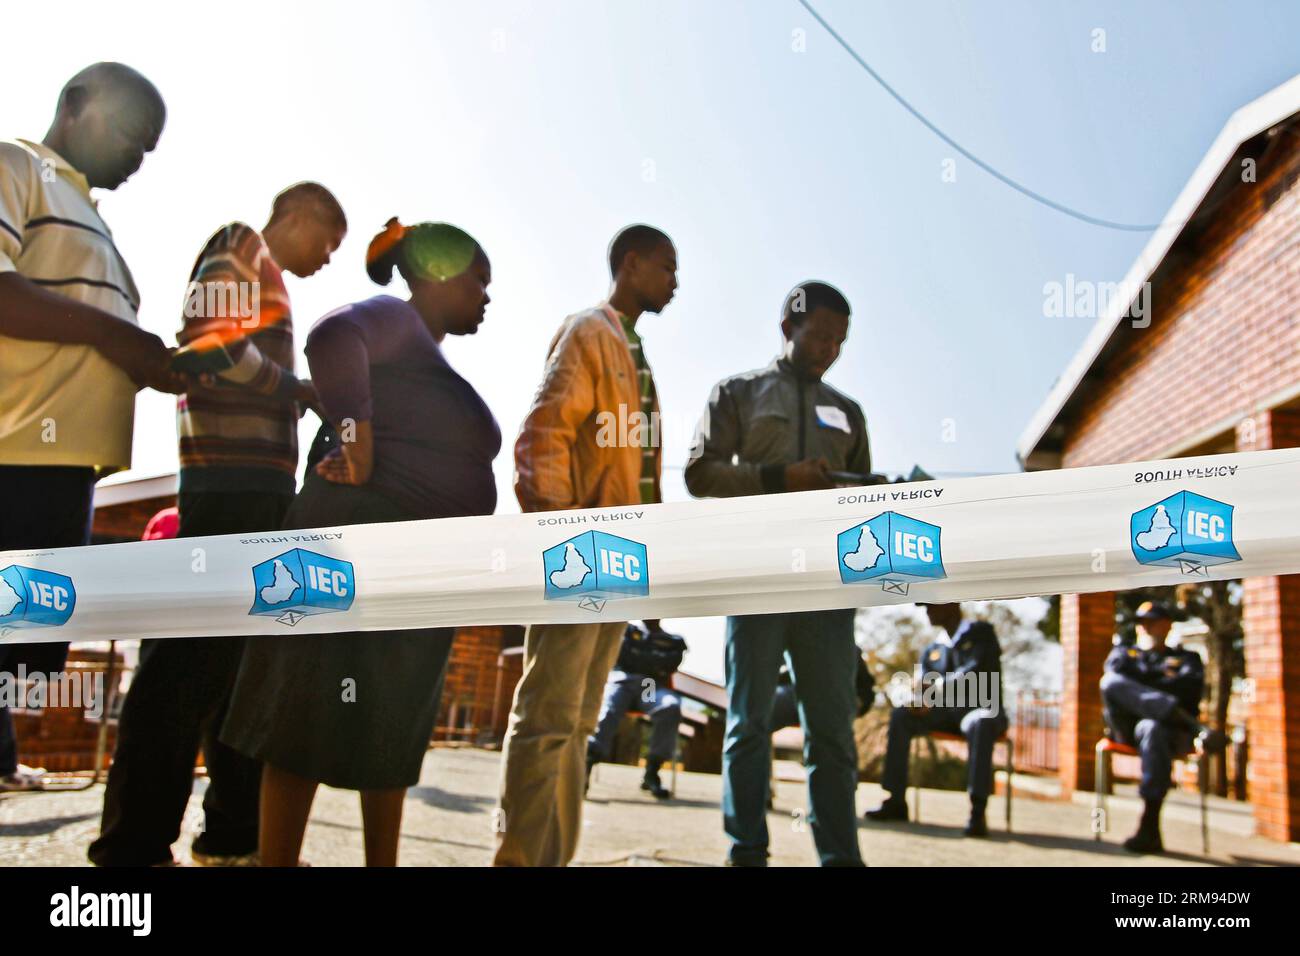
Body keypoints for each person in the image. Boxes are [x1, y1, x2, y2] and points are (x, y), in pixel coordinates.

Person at [219, 218, 498, 867]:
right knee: (303, 712)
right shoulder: (392, 319)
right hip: (355, 535)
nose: (487, 297)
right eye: (478, 281)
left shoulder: (416, 351)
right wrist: (357, 440)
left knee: (389, 724)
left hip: (406, 556)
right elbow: (331, 334)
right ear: (437, 273)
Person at [88, 184, 346, 866]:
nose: (326, 259)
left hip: (257, 488)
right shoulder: (239, 245)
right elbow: (206, 344)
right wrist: (296, 390)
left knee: (239, 674)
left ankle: (233, 836)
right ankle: (132, 846)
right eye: (327, 241)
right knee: (185, 663)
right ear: (299, 216)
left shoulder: (267, 274)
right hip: (228, 485)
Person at [0, 63, 176, 793]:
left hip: (69, 470)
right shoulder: (18, 166)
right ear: (75, 104)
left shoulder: (96, 226)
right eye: (134, 134)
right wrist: (117, 338)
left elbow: (97, 338)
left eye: (150, 149)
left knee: (26, 659)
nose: (139, 157)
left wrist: (161, 361)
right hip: (12, 454)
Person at [496, 224, 677, 867]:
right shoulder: (590, 332)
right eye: (665, 268)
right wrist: (562, 539)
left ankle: (551, 859)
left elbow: (644, 477)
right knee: (549, 717)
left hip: (622, 563)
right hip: (581, 552)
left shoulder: (638, 354)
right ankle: (517, 859)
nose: (674, 282)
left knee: (577, 724)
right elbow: (543, 438)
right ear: (631, 265)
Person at [684, 280, 869, 867]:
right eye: (818, 335)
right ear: (787, 326)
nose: (828, 349)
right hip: (758, 575)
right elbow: (699, 474)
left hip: (827, 587)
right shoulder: (736, 393)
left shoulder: (849, 412)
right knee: (749, 723)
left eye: (839, 340)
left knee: (834, 733)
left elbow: (862, 499)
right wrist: (776, 478)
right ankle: (747, 852)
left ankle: (840, 857)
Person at [865, 603, 1006, 836]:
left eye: (931, 605)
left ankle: (977, 811)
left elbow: (976, 671)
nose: (927, 611)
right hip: (944, 714)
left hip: (979, 709)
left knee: (980, 723)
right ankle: (895, 800)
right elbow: (923, 684)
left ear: (952, 605)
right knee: (901, 716)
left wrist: (937, 687)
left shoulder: (981, 633)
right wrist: (918, 701)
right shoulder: (933, 649)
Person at [1099, 600, 1226, 854]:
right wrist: (1161, 686)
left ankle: (1149, 823)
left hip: (1166, 733)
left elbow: (1189, 689)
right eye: (1141, 623)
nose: (1145, 628)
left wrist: (1141, 686)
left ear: (1166, 625)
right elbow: (1115, 686)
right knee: (1111, 683)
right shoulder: (1124, 653)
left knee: (1152, 726)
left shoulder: (1185, 658)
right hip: (1127, 728)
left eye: (1152, 622)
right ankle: (1195, 726)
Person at [586, 623, 689, 800]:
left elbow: (671, 663)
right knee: (610, 707)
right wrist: (654, 657)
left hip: (648, 686)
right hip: (622, 681)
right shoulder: (626, 630)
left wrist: (641, 654)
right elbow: (621, 655)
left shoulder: (673, 640)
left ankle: (652, 772)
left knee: (669, 707)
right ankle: (588, 761)